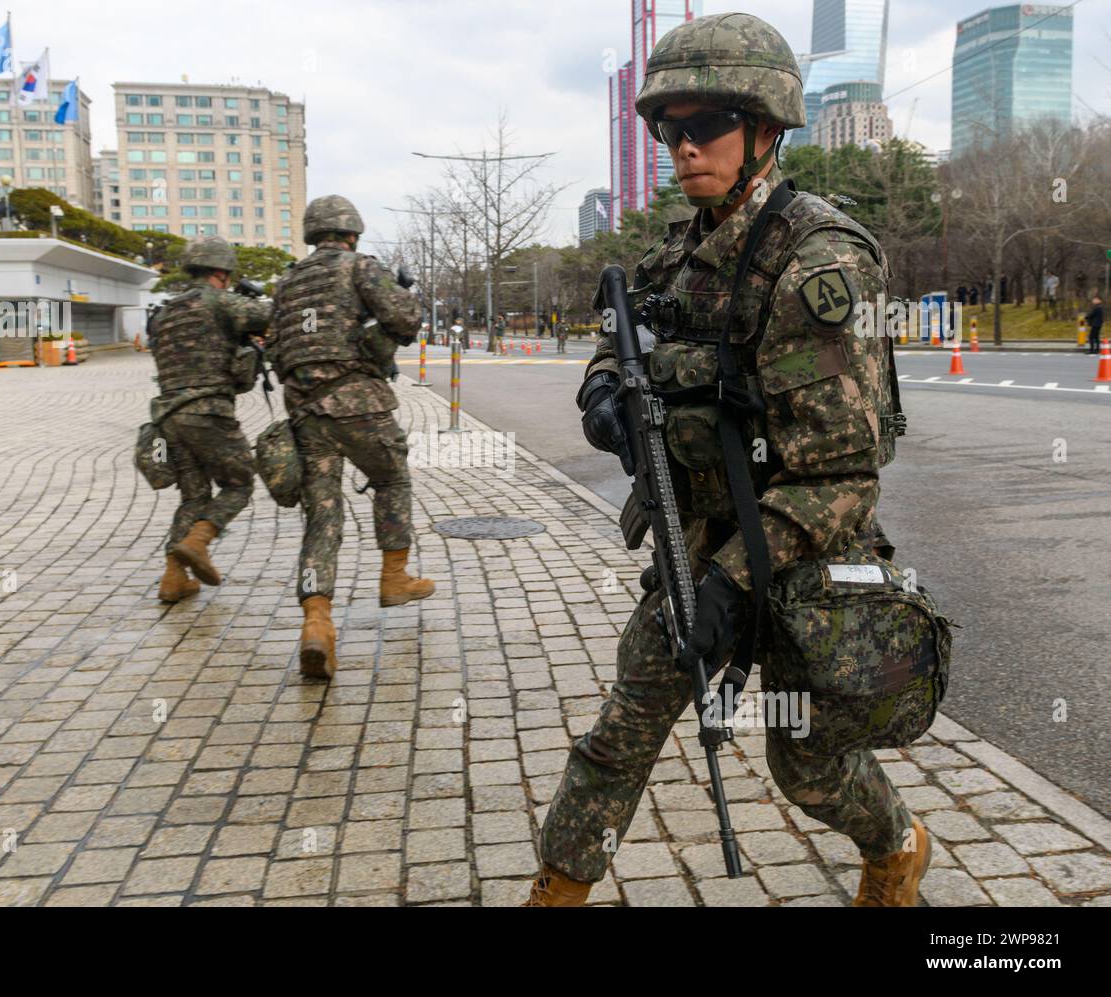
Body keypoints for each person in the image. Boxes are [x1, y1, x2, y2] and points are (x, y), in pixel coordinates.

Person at [526, 11, 927, 908]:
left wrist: (734, 583)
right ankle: (554, 893)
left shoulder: (819, 263)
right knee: (618, 736)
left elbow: (843, 477)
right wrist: (603, 398)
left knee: (809, 763)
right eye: (671, 131)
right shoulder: (682, 247)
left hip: (800, 558)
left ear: (767, 130)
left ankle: (897, 846)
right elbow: (617, 336)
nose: (682, 148)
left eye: (705, 127)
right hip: (692, 538)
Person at [268, 195, 436, 680]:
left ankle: (317, 624)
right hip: (358, 404)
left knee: (322, 517)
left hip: (304, 414)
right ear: (352, 233)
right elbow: (405, 319)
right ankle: (394, 579)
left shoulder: (285, 283)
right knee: (391, 481)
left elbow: (275, 348)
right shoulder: (360, 267)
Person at [150, 236, 272, 602]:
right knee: (239, 484)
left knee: (194, 496)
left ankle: (174, 578)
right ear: (221, 272)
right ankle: (198, 541)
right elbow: (274, 317)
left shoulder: (165, 312)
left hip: (166, 417)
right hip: (208, 412)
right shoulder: (220, 301)